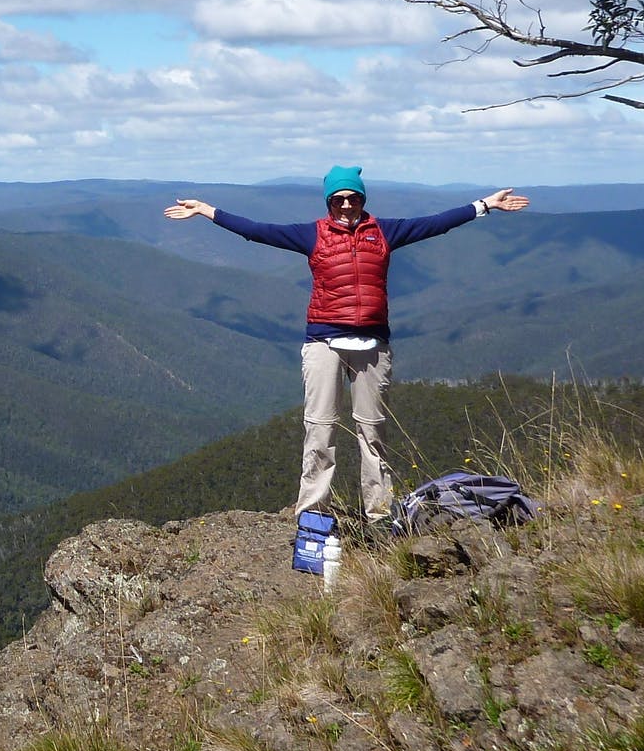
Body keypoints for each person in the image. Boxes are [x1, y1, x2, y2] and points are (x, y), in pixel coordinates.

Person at [164, 167, 530, 536]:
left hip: (373, 344)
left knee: (373, 432)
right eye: (338, 199)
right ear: (328, 202)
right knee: (320, 429)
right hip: (324, 342)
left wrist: (485, 205)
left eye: (352, 198)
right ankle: (311, 515)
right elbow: (257, 231)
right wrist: (207, 210)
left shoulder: (384, 232)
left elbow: (437, 223)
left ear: (362, 200)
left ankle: (381, 515)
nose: (345, 205)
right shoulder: (313, 235)